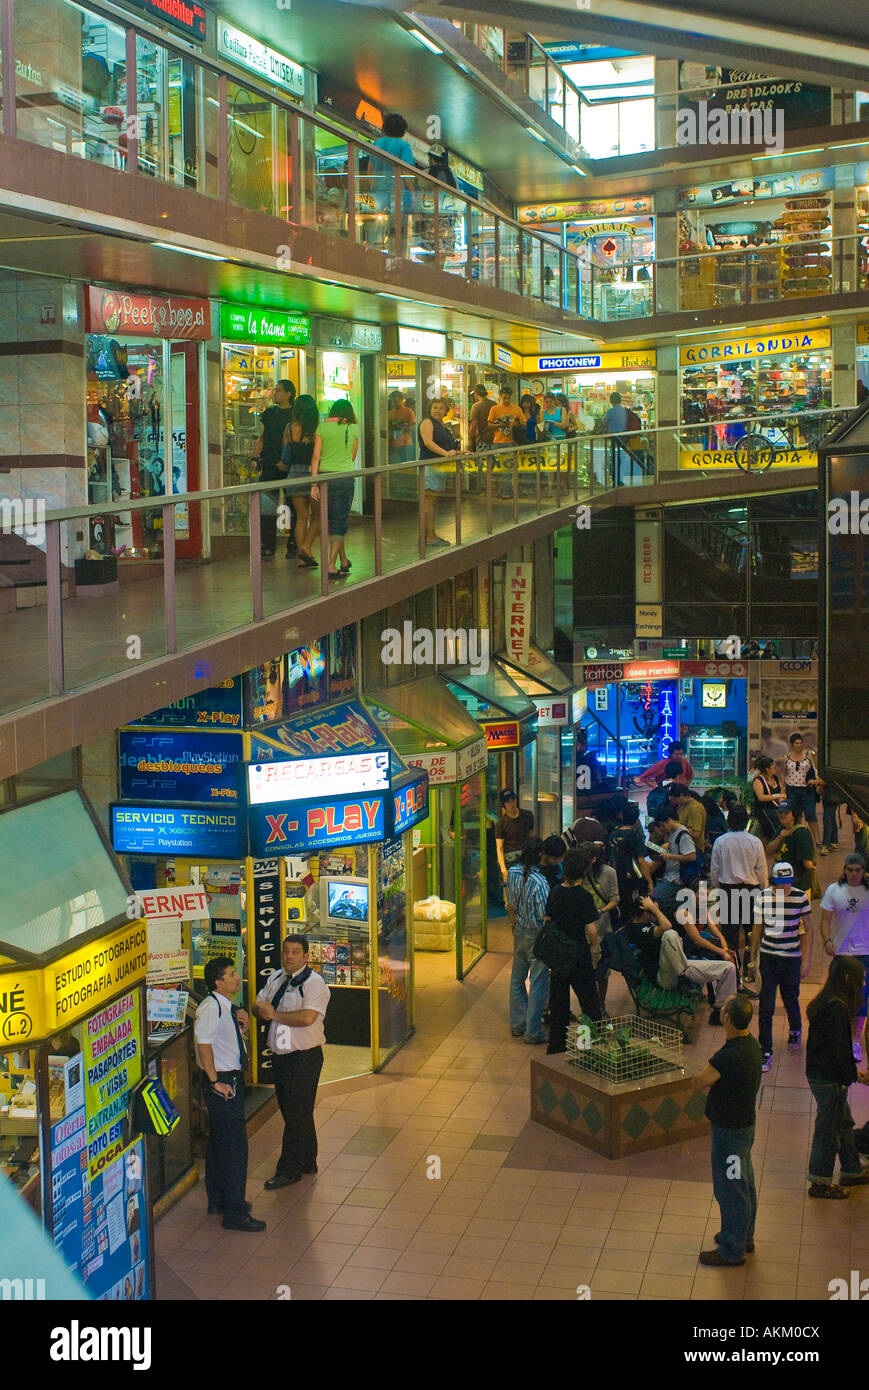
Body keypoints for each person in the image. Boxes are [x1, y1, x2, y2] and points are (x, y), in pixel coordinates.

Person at [253, 934, 330, 1189]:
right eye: (286, 951)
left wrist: (273, 1013)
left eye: (295, 952)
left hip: (304, 1058)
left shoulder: (315, 983)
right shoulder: (276, 977)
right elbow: (259, 1002)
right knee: (294, 1111)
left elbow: (308, 1017)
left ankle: (289, 1168)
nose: (289, 956)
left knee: (296, 1113)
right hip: (281, 1057)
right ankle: (308, 1158)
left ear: (306, 956)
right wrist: (257, 1010)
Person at [194, 956, 265, 1232]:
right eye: (232, 973)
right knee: (235, 1147)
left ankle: (219, 1199)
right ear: (218, 982)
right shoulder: (212, 1008)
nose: (238, 976)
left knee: (219, 1143)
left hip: (226, 1078)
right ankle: (235, 1212)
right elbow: (203, 1045)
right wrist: (215, 1082)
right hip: (223, 1082)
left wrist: (242, 1022)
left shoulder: (226, 1007)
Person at [694, 994, 762, 1266]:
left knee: (730, 1188)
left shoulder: (729, 1056)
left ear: (726, 1018)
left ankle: (732, 1249)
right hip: (743, 1129)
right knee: (744, 1183)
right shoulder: (752, 1046)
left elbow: (701, 1080)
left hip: (728, 1135)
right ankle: (743, 1236)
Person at [805, 955, 869, 1198]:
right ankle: (820, 1182)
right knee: (828, 1131)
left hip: (820, 1074)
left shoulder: (827, 1003)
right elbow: (838, 1050)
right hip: (829, 1079)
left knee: (843, 1124)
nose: (863, 984)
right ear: (847, 979)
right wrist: (849, 1076)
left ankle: (852, 1170)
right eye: (860, 980)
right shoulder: (838, 1008)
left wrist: (851, 1073)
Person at [747, 861, 813, 1071]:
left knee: (790, 997)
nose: (784, 887)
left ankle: (795, 1028)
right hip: (769, 957)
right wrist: (752, 958)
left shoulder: (800, 897)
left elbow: (808, 929)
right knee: (766, 1004)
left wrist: (806, 959)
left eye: (787, 883)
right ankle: (765, 1049)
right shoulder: (763, 897)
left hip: (791, 957)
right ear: (773, 881)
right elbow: (757, 928)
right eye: (780, 883)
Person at [545, 848, 603, 1054]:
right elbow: (592, 931)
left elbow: (548, 920)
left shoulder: (555, 892)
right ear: (585, 870)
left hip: (559, 957)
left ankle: (556, 1048)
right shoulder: (585, 897)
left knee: (558, 1004)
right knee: (589, 1005)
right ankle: (586, 1045)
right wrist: (592, 947)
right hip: (579, 957)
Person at [819, 854, 869, 1061]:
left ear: (863, 871)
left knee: (861, 1000)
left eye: (858, 870)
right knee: (835, 997)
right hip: (841, 953)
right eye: (851, 870)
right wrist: (827, 941)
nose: (854, 874)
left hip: (865, 953)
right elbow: (825, 920)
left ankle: (855, 1041)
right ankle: (836, 1037)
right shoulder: (834, 890)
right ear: (844, 870)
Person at [710, 804, 768, 969]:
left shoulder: (720, 842)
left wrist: (716, 892)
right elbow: (762, 872)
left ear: (728, 821)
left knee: (730, 935)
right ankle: (749, 970)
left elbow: (715, 871)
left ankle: (733, 970)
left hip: (728, 891)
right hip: (752, 891)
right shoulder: (755, 842)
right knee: (752, 934)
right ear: (746, 821)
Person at [506, 838, 550, 1044]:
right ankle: (533, 1032)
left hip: (519, 930)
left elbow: (511, 903)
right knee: (538, 981)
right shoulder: (540, 881)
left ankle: (517, 1024)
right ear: (540, 855)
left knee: (517, 979)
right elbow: (544, 914)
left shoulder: (512, 872)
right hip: (537, 934)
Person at [310, 398, 358, 580]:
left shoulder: (322, 427)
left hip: (324, 478)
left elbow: (316, 456)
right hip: (344, 478)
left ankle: (343, 560)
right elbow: (352, 457)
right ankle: (330, 565)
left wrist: (314, 483)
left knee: (332, 520)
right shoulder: (353, 428)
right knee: (339, 521)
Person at [251, 380, 296, 559]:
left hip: (289, 466)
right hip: (270, 465)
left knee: (292, 506)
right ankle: (267, 545)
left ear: (288, 394)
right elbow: (262, 437)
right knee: (267, 506)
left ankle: (293, 544)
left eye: (278, 391)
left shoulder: (294, 414)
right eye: (275, 390)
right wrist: (255, 457)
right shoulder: (269, 414)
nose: (275, 394)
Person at [281, 395, 321, 569]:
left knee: (301, 517)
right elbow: (318, 454)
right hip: (312, 473)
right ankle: (306, 547)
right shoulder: (316, 429)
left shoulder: (289, 428)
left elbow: (285, 454)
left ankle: (301, 556)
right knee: (318, 516)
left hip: (293, 474)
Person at [418, 398, 457, 547]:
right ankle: (430, 536)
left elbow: (446, 446)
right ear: (430, 408)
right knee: (429, 501)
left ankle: (426, 535)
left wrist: (457, 452)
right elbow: (428, 442)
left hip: (438, 466)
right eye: (435, 407)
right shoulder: (427, 422)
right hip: (430, 465)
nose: (438, 411)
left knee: (432, 501)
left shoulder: (441, 424)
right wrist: (446, 454)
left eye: (441, 408)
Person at [649, 806, 699, 920]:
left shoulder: (683, 835)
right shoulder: (673, 833)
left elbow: (691, 856)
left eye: (663, 825)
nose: (664, 828)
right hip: (671, 875)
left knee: (655, 898)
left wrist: (670, 856)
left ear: (668, 820)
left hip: (676, 878)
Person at [767, 803, 817, 898]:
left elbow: (807, 863)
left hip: (797, 885)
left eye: (786, 812)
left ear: (794, 815)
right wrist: (780, 837)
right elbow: (769, 850)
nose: (782, 815)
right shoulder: (781, 829)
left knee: (795, 911)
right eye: (780, 812)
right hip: (781, 882)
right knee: (782, 911)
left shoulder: (801, 833)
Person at [784, 732, 821, 848]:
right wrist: (783, 790)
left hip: (807, 789)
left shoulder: (809, 755)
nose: (799, 745)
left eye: (800, 743)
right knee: (796, 815)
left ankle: (817, 840)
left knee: (810, 814)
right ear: (792, 744)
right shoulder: (786, 758)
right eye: (796, 743)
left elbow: (816, 769)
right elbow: (783, 774)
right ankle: (799, 839)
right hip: (792, 788)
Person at [494, 788, 535, 891]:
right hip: (510, 860)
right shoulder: (501, 823)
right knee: (513, 893)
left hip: (526, 857)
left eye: (513, 800)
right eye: (508, 802)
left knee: (528, 889)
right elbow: (499, 848)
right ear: (503, 805)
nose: (511, 803)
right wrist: (503, 869)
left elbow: (532, 837)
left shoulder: (527, 815)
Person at [751, 755, 785, 843]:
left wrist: (782, 798)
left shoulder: (776, 778)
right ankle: (774, 843)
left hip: (776, 806)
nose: (776, 768)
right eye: (774, 767)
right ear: (767, 769)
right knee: (775, 820)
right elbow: (761, 797)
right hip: (763, 809)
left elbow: (782, 791)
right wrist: (777, 796)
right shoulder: (758, 780)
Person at [673, 781, 706, 855]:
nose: (675, 802)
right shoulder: (682, 806)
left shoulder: (695, 807)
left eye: (675, 799)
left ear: (681, 795)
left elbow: (696, 833)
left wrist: (676, 828)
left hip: (693, 850)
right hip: (682, 847)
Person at [387, 390, 415, 464]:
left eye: (395, 401)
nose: (393, 404)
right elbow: (388, 428)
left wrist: (403, 427)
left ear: (401, 400)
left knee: (406, 465)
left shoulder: (408, 412)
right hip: (392, 443)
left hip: (405, 443)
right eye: (392, 402)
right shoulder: (390, 413)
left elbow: (412, 427)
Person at [818, 778, 843, 856]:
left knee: (827, 818)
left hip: (830, 795)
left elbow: (828, 780)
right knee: (831, 817)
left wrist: (815, 781)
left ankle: (825, 844)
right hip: (831, 794)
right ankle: (834, 841)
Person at [469, 384, 494, 451]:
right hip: (494, 439)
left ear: (476, 394)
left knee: (482, 460)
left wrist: (470, 441)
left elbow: (473, 425)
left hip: (482, 439)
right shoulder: (494, 404)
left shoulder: (476, 406)